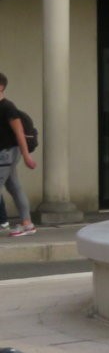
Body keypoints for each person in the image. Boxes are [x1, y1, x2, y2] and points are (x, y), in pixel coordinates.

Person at [0, 72, 37, 236]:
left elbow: (19, 132)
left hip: (7, 153)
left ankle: (26, 223)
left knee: (14, 188)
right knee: (15, 188)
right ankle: (27, 224)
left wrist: (27, 156)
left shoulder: (8, 107)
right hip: (4, 154)